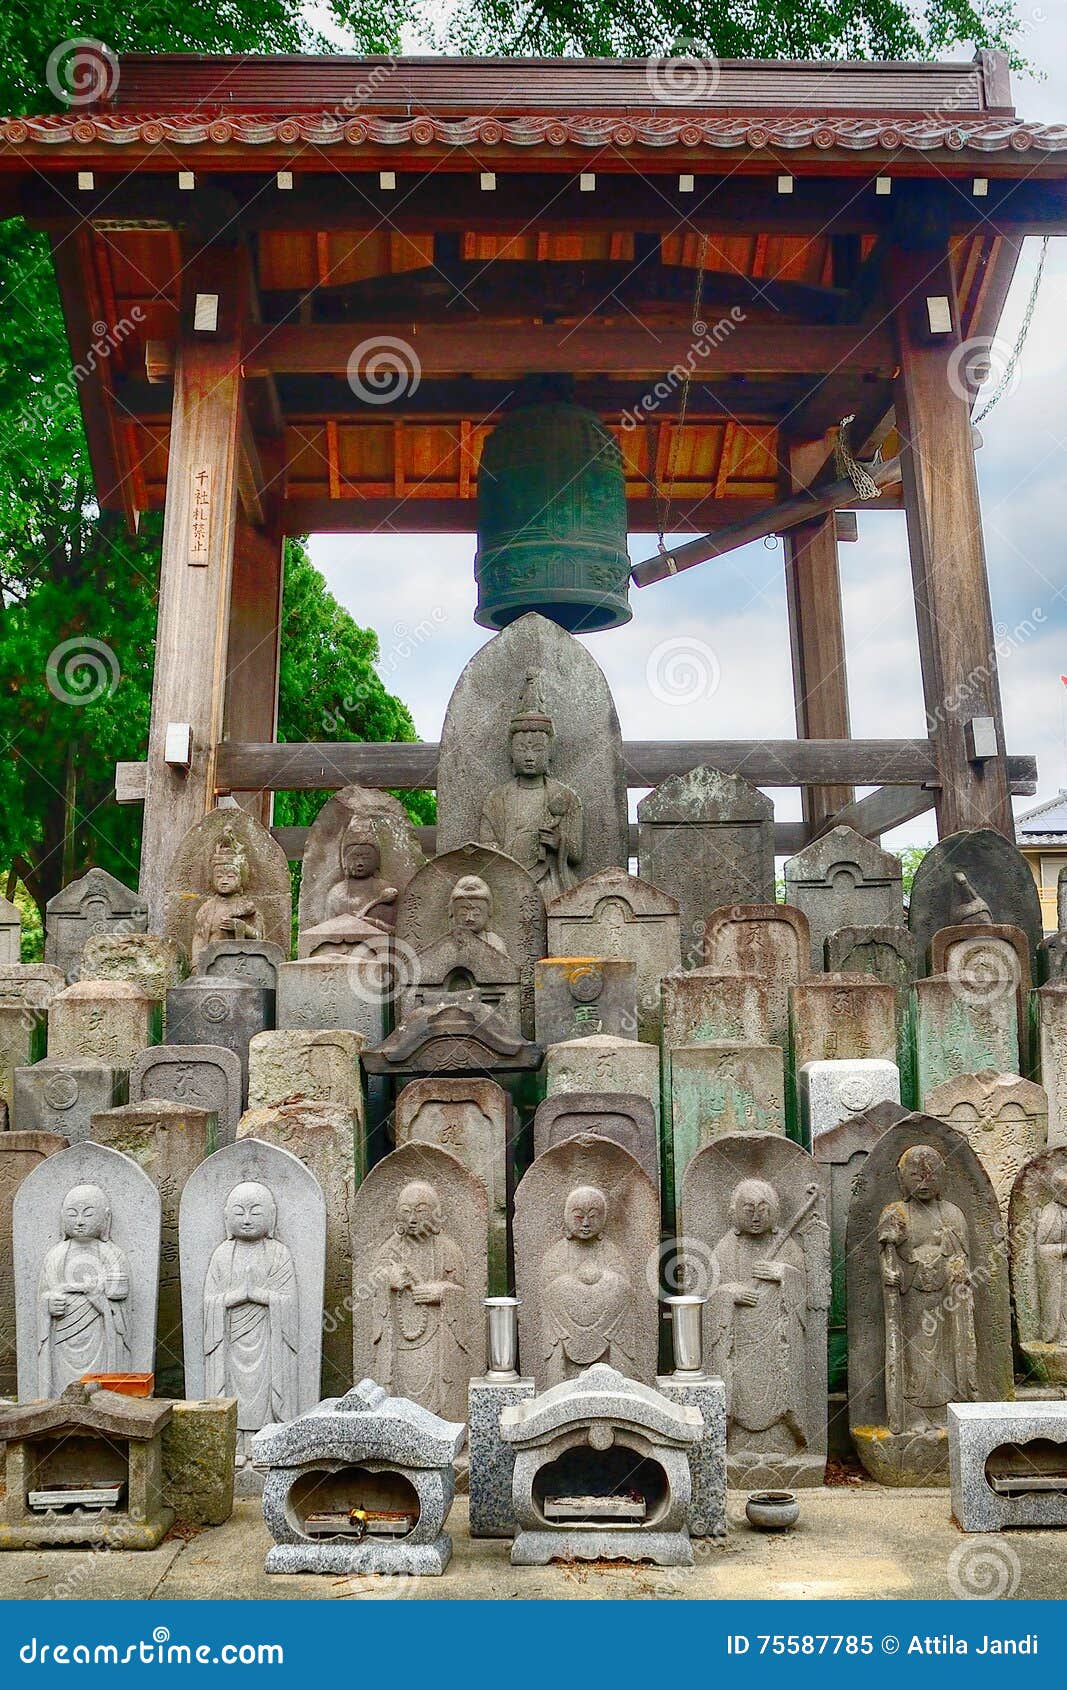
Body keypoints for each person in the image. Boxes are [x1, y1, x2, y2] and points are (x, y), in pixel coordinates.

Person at [706, 1179, 813, 1454]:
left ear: (774, 1212)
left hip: (776, 1336)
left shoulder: (786, 1246)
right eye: (748, 1209)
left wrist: (784, 1274)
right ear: (734, 1212)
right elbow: (711, 1295)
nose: (756, 1216)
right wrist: (730, 1293)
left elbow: (805, 1290)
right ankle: (739, 1442)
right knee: (740, 1385)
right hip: (740, 1338)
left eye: (763, 1209)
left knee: (778, 1384)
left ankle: (779, 1441)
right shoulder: (726, 1248)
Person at [879, 1145, 978, 1434]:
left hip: (945, 1299)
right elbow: (886, 1255)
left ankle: (947, 1413)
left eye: (931, 1176)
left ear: (942, 1178)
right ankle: (914, 1416)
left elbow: (963, 1258)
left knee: (947, 1357)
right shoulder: (897, 1212)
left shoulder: (952, 1214)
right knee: (914, 1356)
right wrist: (890, 1271)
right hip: (912, 1297)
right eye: (915, 1176)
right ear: (901, 1178)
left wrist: (956, 1269)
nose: (924, 1182)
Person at [203, 1182, 298, 1463]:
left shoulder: (279, 1253)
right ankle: (234, 1445)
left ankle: (266, 1443)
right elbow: (210, 1301)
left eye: (255, 1212)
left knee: (266, 1392)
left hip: (268, 1339)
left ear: (272, 1216)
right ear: (226, 1217)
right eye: (239, 1212)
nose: (246, 1219)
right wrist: (235, 1297)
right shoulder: (222, 1255)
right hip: (230, 1340)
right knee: (232, 1390)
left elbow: (289, 1301)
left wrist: (257, 1294)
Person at [369, 1181, 470, 1421]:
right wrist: (388, 1279)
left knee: (437, 1392)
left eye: (421, 1211)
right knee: (397, 1390)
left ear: (434, 1214)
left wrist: (441, 1292)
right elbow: (372, 1284)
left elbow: (462, 1295)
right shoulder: (388, 1251)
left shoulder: (447, 1251)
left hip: (436, 1340)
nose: (412, 1219)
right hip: (399, 1341)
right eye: (406, 1211)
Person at [479, 669, 582, 898]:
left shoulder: (564, 797)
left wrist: (559, 843)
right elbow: (486, 846)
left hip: (549, 881)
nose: (529, 757)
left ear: (549, 753)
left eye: (537, 750)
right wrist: (501, 856)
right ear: (510, 752)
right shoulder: (497, 799)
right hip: (508, 883)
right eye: (521, 749)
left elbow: (577, 853)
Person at [38, 1184, 131, 1398]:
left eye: (88, 1214)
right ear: (62, 1217)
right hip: (62, 1338)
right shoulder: (55, 1256)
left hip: (100, 1335)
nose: (79, 1221)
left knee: (99, 1393)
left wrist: (100, 1301)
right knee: (63, 1394)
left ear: (106, 1218)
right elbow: (44, 1295)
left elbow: (121, 1301)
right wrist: (48, 1304)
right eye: (72, 1214)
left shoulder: (113, 1254)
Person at [540, 1184, 635, 1384]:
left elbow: (624, 1287)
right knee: (555, 1290)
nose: (585, 1223)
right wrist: (573, 1284)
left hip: (607, 1319)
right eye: (578, 1217)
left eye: (593, 1217)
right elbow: (549, 1289)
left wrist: (604, 1281)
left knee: (619, 1287)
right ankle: (558, 1380)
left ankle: (621, 1378)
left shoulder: (610, 1251)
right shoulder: (558, 1253)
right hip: (566, 1321)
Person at [191, 827, 264, 965]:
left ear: (241, 879)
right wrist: (196, 965)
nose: (224, 881)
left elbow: (260, 939)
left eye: (230, 876)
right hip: (212, 965)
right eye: (219, 876)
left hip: (241, 965)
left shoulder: (248, 907)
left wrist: (243, 928)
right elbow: (199, 938)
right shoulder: (207, 909)